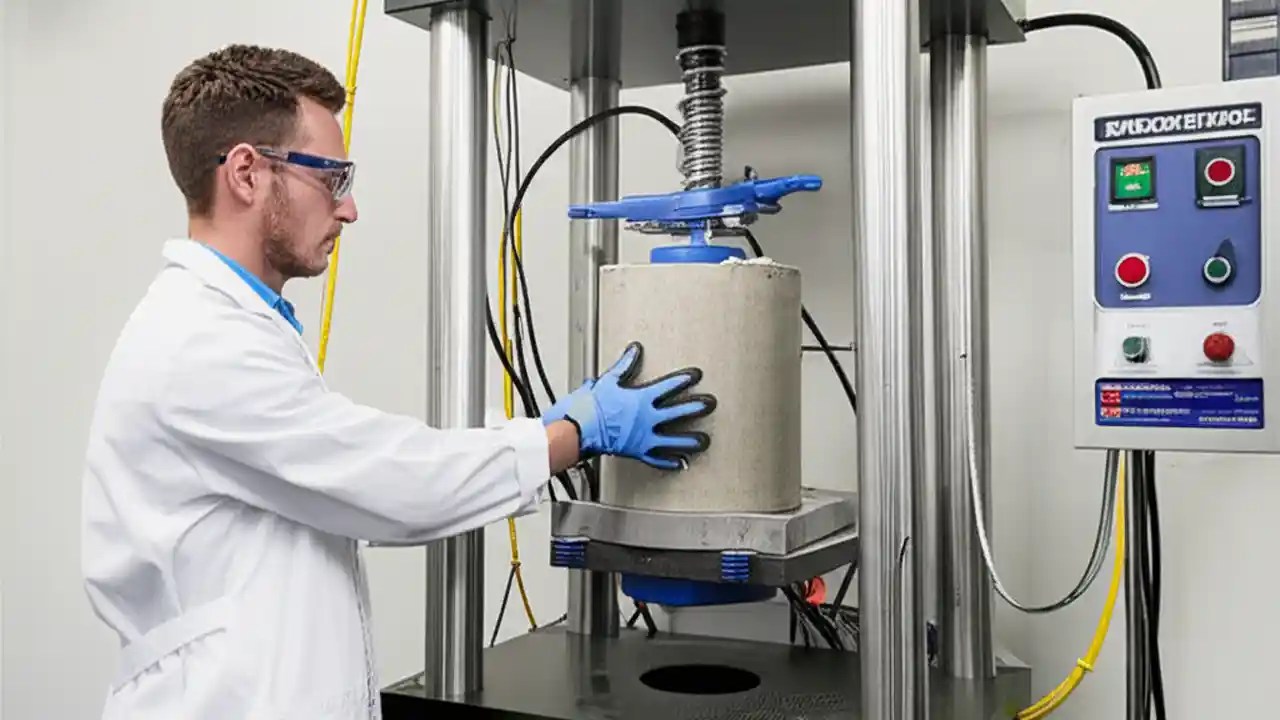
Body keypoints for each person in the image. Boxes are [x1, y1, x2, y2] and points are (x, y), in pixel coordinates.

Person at [80, 44, 716, 720]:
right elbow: (393, 483)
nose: (348, 210)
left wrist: (548, 435)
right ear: (246, 173)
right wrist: (574, 433)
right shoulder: (200, 344)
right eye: (333, 177)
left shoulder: (233, 328)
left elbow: (356, 483)